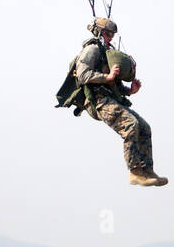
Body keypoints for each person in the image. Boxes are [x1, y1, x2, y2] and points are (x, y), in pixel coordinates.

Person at [59, 17, 167, 187]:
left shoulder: (107, 53)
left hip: (110, 98)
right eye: (108, 33)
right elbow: (83, 75)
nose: (110, 37)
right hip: (98, 101)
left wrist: (129, 91)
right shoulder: (92, 50)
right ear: (99, 32)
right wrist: (107, 76)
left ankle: (147, 170)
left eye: (112, 34)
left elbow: (113, 84)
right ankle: (135, 172)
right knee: (130, 125)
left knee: (144, 127)